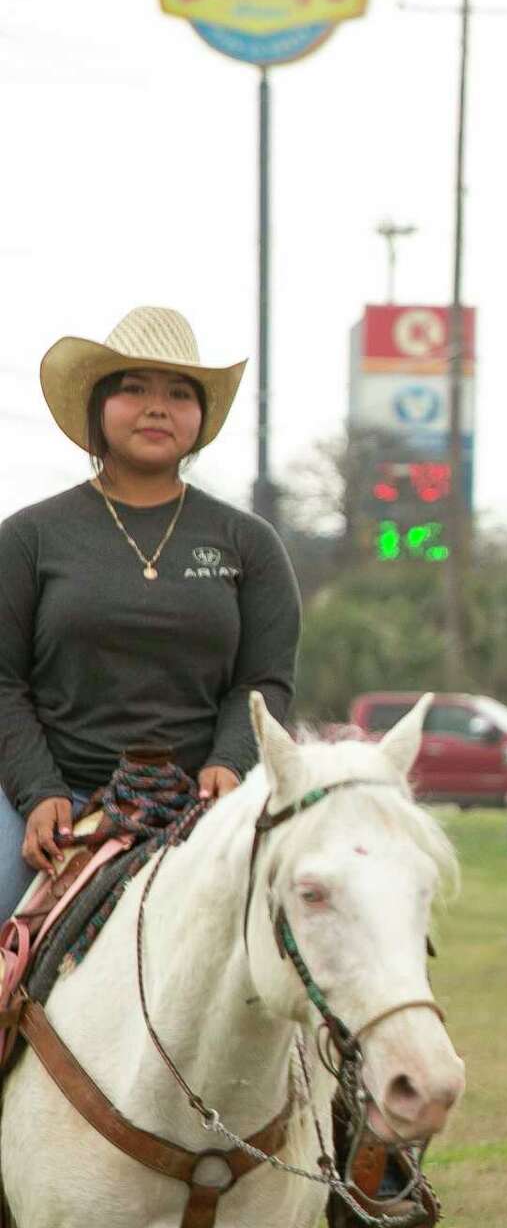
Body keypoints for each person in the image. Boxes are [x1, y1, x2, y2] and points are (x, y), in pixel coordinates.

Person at [0, 307, 299, 913]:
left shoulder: (249, 542)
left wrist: (231, 761)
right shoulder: (29, 538)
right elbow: (3, 682)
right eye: (133, 388)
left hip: (205, 796)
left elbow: (263, 680)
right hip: (55, 796)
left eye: (179, 392)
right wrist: (38, 793)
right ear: (99, 407)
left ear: (201, 415)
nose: (156, 406)